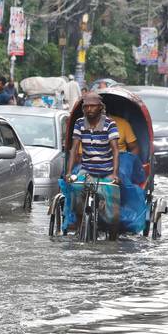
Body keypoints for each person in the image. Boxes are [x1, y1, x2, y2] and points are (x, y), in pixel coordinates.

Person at [62, 91, 120, 234]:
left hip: (106, 170)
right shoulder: (79, 123)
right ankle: (80, 220)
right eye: (86, 106)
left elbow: (115, 150)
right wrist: (69, 173)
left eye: (93, 106)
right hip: (86, 170)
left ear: (100, 107)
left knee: (113, 203)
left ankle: (112, 232)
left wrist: (114, 174)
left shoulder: (110, 124)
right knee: (75, 187)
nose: (89, 109)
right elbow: (74, 148)